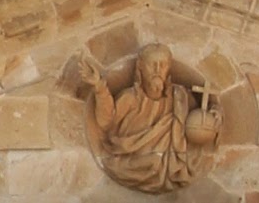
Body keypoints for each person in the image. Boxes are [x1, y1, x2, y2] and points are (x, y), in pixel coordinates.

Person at [78, 43, 219, 193]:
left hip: (173, 166)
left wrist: (216, 113)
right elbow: (106, 121)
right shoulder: (130, 97)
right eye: (152, 65)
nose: (158, 70)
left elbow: (203, 116)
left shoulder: (180, 96)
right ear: (140, 67)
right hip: (130, 165)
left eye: (163, 65)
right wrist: (99, 87)